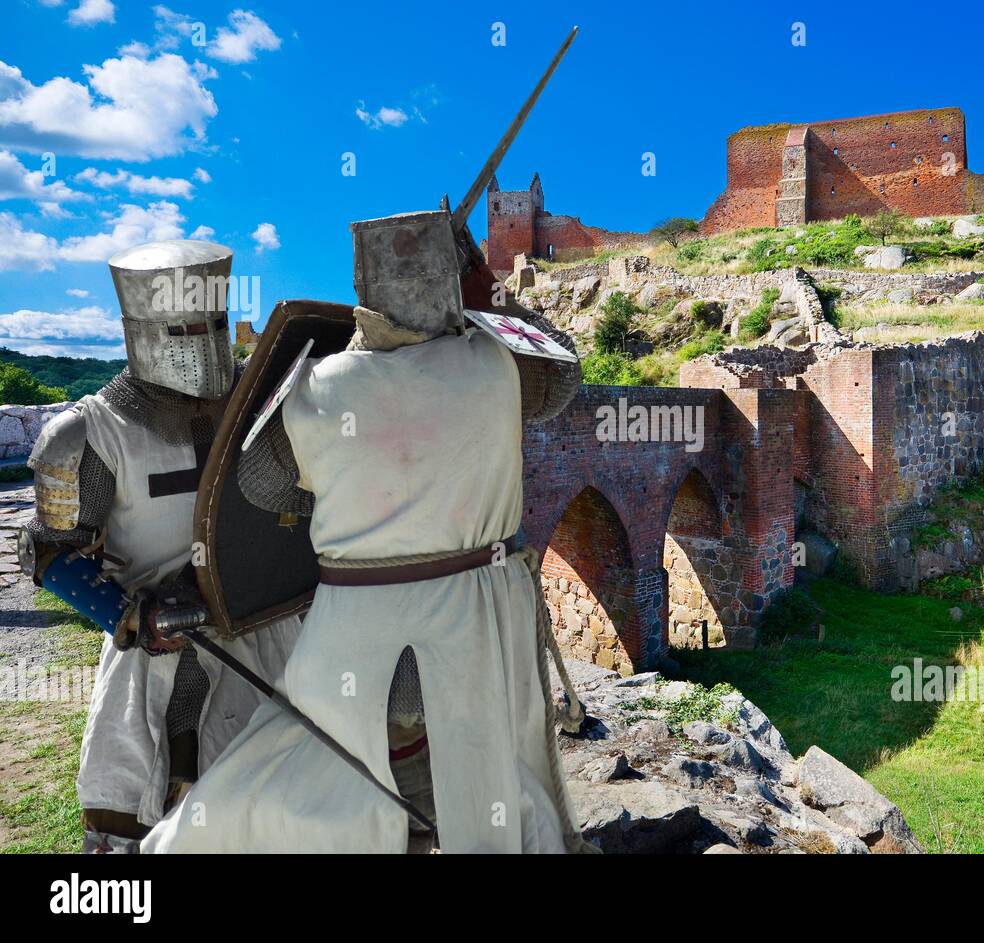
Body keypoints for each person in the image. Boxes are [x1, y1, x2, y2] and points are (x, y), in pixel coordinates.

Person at [143, 209, 586, 853]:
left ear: (360, 285)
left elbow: (263, 488)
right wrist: (486, 286)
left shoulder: (312, 388)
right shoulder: (500, 366)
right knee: (490, 763)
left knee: (318, 752)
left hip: (352, 621)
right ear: (450, 283)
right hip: (478, 611)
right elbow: (560, 368)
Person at [19, 239, 301, 853]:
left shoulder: (260, 409)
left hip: (260, 638)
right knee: (140, 814)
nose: (203, 339)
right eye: (183, 324)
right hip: (156, 652)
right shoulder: (89, 433)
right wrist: (133, 615)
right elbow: (47, 552)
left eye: (217, 322)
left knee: (279, 810)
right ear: (144, 327)